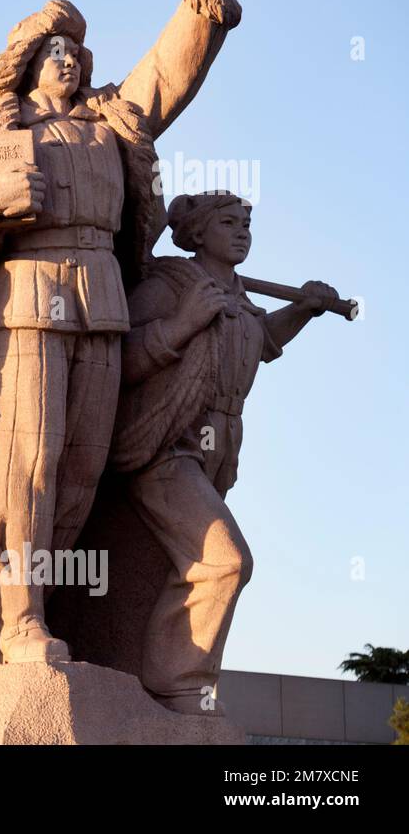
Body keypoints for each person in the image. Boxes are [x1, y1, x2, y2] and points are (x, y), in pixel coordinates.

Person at [0, 0, 257, 662]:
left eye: (74, 52)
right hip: (24, 306)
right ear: (26, 66)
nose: (67, 59)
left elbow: (164, 76)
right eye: (52, 50)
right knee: (24, 461)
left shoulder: (109, 124)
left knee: (80, 470)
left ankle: (40, 608)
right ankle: (17, 617)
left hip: (101, 304)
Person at [109, 191, 337, 714]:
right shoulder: (170, 286)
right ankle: (181, 683)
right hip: (166, 443)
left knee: (187, 561)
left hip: (221, 447)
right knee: (224, 560)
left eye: (247, 225)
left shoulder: (237, 296)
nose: (242, 232)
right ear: (198, 232)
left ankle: (169, 675)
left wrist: (301, 311)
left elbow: (260, 341)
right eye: (229, 223)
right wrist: (183, 324)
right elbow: (119, 360)